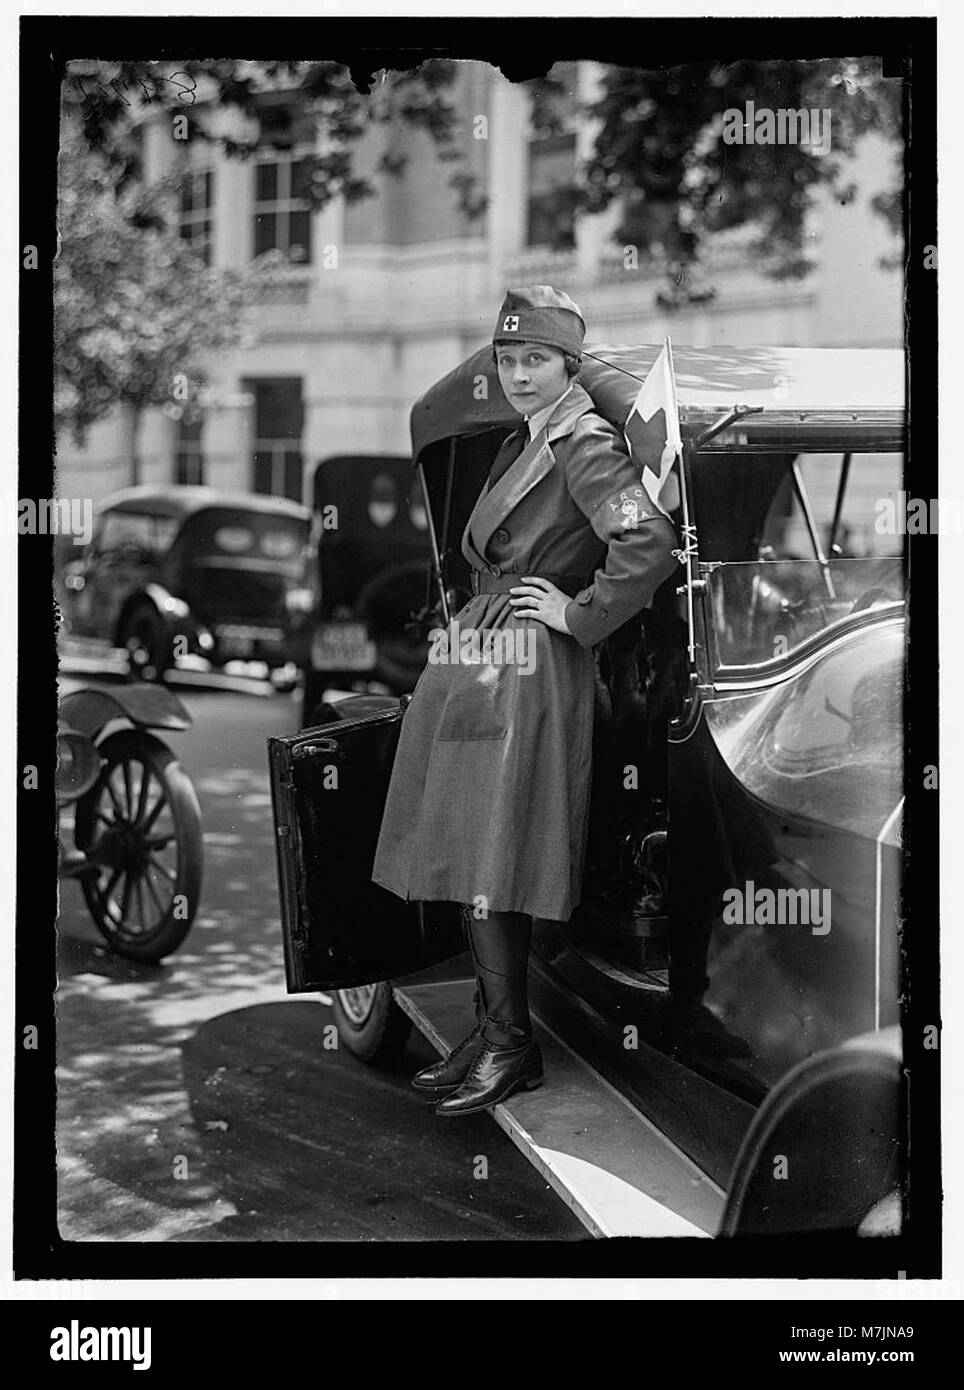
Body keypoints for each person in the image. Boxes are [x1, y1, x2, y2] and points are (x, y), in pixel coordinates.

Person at [371, 285, 679, 1116]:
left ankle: (512, 1044)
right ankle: (495, 1029)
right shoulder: (528, 437)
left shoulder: (580, 440)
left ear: (569, 366)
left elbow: (646, 541)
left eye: (535, 359)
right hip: (486, 652)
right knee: (473, 848)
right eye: (507, 359)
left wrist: (579, 615)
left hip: (526, 665)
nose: (517, 374)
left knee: (492, 852)